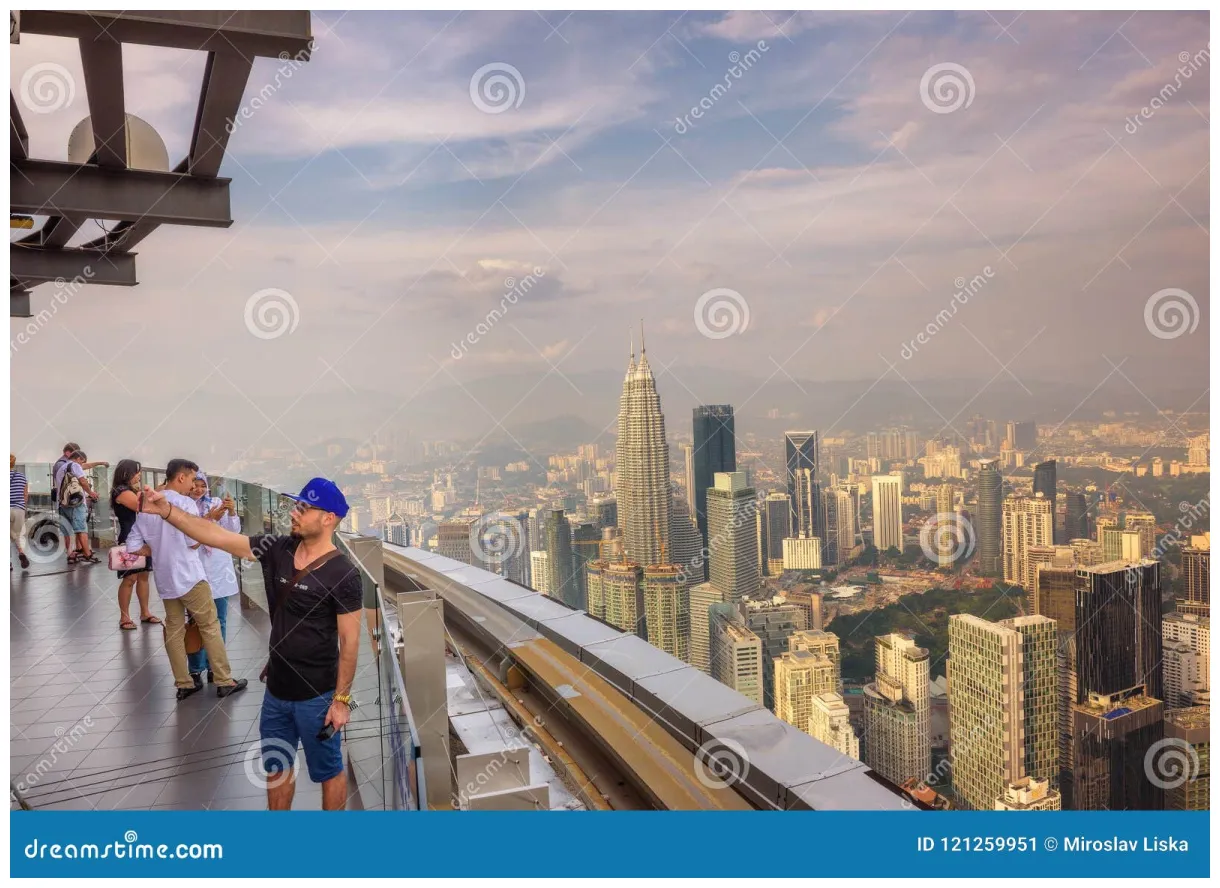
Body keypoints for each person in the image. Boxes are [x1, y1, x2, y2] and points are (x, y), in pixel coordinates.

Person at [137, 476, 361, 811]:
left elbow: (350, 640)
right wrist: (167, 510)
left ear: (328, 518)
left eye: (304, 507)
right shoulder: (278, 548)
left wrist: (341, 700)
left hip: (318, 696)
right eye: (294, 505)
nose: (294, 513)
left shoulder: (343, 574)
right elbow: (217, 535)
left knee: (329, 771)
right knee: (276, 769)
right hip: (276, 693)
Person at [125, 458, 247, 701]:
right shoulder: (186, 505)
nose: (193, 485)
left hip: (165, 578)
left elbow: (133, 545)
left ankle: (184, 683)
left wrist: (158, 548)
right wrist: (204, 528)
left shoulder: (146, 508)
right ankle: (223, 679)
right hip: (191, 576)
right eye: (192, 479)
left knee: (174, 630)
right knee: (210, 626)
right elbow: (193, 542)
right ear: (181, 477)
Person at [186, 473, 240, 683]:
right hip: (194, 569)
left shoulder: (216, 503)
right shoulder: (184, 508)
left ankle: (214, 667)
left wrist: (232, 512)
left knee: (220, 620)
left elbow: (233, 531)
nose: (199, 490)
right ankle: (196, 668)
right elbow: (189, 536)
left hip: (219, 568)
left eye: (202, 486)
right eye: (195, 485)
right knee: (196, 620)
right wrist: (210, 519)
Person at [109, 460, 161, 631]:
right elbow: (140, 506)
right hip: (129, 538)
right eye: (136, 472)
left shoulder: (133, 490)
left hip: (142, 538)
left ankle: (145, 612)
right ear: (127, 473)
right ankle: (124, 616)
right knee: (130, 578)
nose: (139, 475)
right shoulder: (121, 491)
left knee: (144, 577)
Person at [53, 450, 101, 564]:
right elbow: (83, 482)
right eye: (82, 462)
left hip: (63, 503)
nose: (81, 465)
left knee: (67, 531)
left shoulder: (61, 468)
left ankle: (71, 554)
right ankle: (87, 554)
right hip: (76, 503)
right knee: (81, 529)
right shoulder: (75, 465)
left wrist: (100, 462)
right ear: (78, 458)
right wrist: (91, 493)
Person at [10, 454, 30, 570]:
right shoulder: (22, 477)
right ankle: (21, 552)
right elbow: (25, 495)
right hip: (19, 509)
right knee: (17, 534)